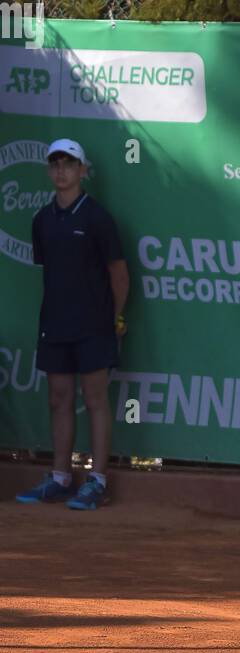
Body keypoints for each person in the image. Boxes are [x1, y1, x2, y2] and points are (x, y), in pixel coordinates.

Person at [17, 139, 129, 510]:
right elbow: (50, 272)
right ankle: (61, 477)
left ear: (83, 170)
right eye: (55, 164)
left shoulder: (97, 217)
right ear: (49, 171)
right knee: (58, 398)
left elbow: (119, 275)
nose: (61, 170)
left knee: (95, 399)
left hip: (94, 325)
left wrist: (114, 317)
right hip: (55, 324)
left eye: (69, 164)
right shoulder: (41, 221)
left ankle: (97, 481)